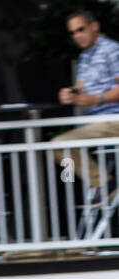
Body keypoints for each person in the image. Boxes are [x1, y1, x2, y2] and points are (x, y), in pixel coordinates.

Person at [51, 9, 119, 194]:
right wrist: (70, 94)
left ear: (94, 26)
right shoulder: (85, 56)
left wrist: (96, 99)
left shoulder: (111, 50)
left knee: (60, 144)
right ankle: (98, 184)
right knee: (61, 148)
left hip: (113, 120)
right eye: (73, 33)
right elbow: (80, 86)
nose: (77, 36)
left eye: (81, 29)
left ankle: (106, 186)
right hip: (95, 123)